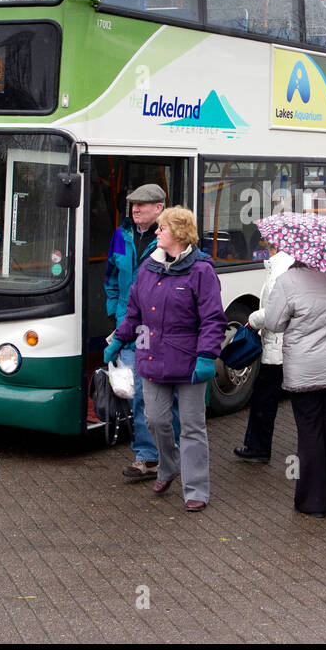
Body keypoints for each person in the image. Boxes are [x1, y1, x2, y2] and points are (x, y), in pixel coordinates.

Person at [106, 206, 225, 512]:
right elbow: (134, 312)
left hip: (189, 364)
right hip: (153, 359)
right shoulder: (148, 268)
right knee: (155, 419)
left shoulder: (201, 271)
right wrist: (119, 339)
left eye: (162, 228)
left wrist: (206, 356)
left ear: (180, 234)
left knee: (192, 427)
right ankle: (168, 466)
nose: (156, 233)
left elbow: (213, 319)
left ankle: (196, 488)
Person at [258, 253, 326, 518]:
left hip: (305, 371)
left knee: (310, 433)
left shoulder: (288, 280)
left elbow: (273, 323)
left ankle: (314, 501)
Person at [104, 183, 179, 481]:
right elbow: (111, 273)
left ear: (159, 208)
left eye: (142, 205)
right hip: (128, 324)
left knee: (159, 394)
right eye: (132, 204)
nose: (135, 209)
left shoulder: (169, 238)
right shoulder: (121, 236)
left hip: (156, 328)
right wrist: (114, 310)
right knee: (137, 392)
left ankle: (167, 452)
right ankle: (148, 457)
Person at [233, 241, 295, 463]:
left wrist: (251, 320)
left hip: (278, 346)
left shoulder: (279, 269)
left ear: (274, 246)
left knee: (264, 399)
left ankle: (257, 448)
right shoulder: (289, 265)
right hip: (287, 346)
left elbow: (274, 314)